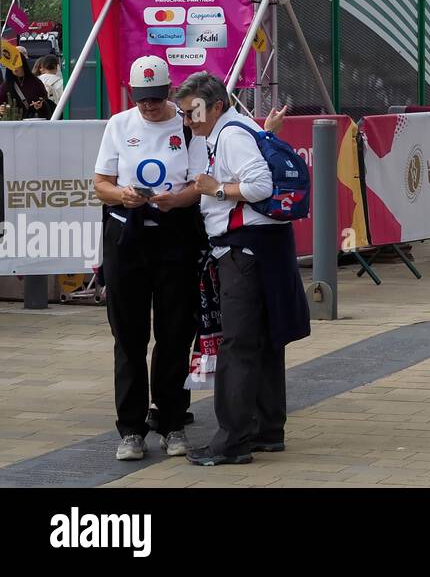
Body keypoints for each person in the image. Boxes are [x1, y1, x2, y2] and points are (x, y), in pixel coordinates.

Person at [176, 73, 310, 467]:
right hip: (264, 246)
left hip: (244, 250)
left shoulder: (230, 135)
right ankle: (268, 430)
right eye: (185, 113)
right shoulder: (238, 127)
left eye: (193, 111)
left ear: (216, 106)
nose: (189, 121)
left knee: (237, 345)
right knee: (265, 339)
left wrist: (213, 189)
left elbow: (260, 187)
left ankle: (232, 441)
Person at [92, 56, 207, 461]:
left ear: (169, 92)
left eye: (155, 100)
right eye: (141, 100)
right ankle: (131, 429)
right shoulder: (119, 125)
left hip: (175, 237)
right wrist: (122, 195)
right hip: (128, 237)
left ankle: (173, 421)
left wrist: (178, 200)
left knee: (175, 333)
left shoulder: (189, 124)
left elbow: (200, 182)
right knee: (129, 336)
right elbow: (101, 183)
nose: (148, 107)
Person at [3, 46, 52, 119]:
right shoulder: (6, 85)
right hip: (13, 124)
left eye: (17, 65)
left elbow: (44, 99)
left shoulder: (35, 82)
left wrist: (40, 104)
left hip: (33, 122)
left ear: (23, 64)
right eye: (12, 66)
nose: (15, 68)